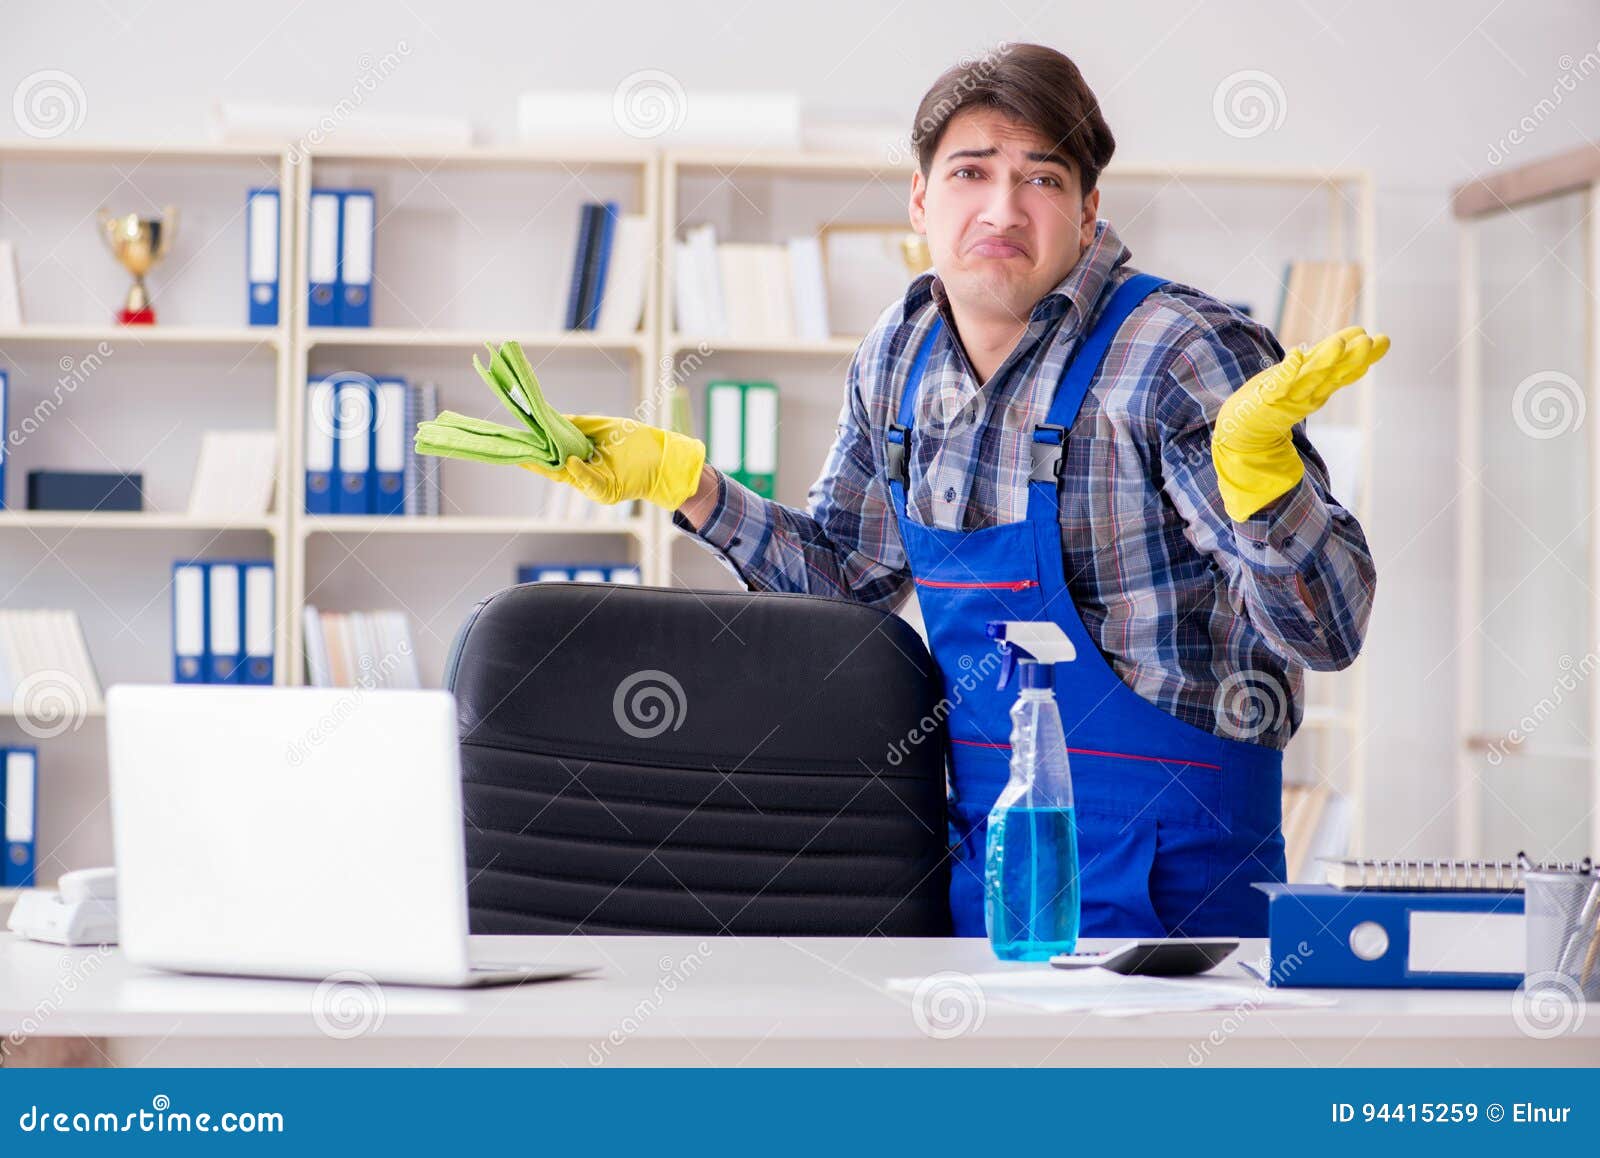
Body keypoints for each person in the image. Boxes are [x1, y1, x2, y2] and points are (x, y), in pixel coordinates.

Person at [528, 43, 1388, 937]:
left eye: (1043, 179)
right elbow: (849, 588)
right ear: (920, 198)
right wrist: (695, 488)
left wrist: (1265, 486)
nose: (1003, 209)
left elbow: (1328, 634)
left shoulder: (1179, 352)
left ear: (1090, 211)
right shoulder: (898, 356)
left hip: (1182, 893)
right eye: (971, 172)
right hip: (988, 868)